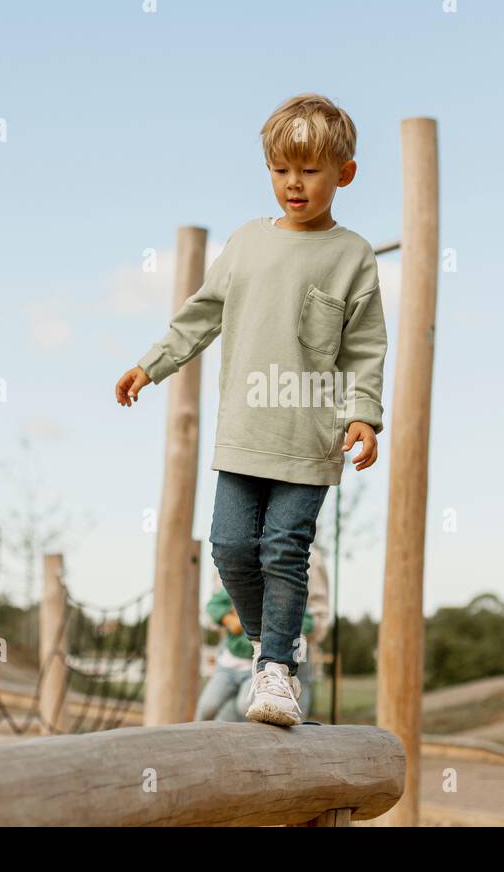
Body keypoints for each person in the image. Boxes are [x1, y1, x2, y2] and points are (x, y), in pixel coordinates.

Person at [116, 93, 386, 727]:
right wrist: (151, 365)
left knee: (284, 550)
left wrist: (364, 416)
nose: (295, 184)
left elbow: (366, 347)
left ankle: (277, 671)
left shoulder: (352, 256)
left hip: (310, 438)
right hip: (244, 434)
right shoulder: (244, 244)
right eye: (281, 170)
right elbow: (202, 314)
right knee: (233, 546)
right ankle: (272, 644)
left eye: (312, 170)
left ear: (344, 173)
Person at [195, 555, 321, 722]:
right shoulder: (240, 588)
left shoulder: (282, 595)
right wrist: (228, 618)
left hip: (255, 666)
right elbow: (213, 605)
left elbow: (308, 621)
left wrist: (282, 628)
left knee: (244, 706)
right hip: (229, 662)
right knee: (208, 705)